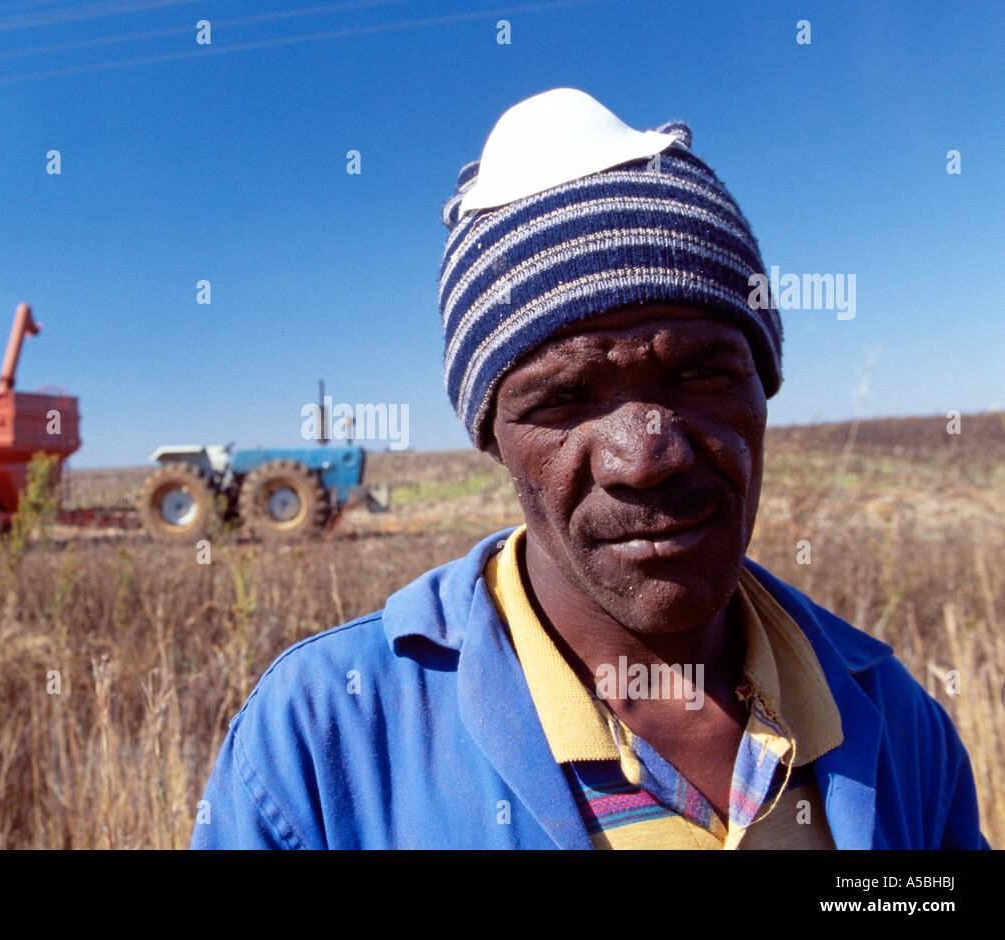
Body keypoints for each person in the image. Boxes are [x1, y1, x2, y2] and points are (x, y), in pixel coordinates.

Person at [189, 88, 990, 849]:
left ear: (764, 388)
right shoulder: (328, 739)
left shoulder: (891, 719)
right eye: (565, 398)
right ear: (492, 435)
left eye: (702, 374)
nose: (645, 458)